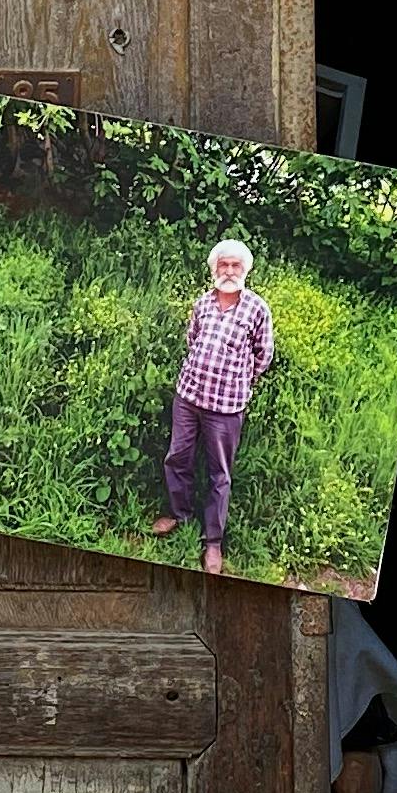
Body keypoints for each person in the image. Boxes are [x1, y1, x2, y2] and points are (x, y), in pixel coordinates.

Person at [151, 233, 274, 571]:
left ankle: (213, 542)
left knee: (220, 474)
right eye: (224, 264)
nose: (230, 270)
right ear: (214, 268)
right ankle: (179, 514)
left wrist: (239, 381)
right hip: (188, 397)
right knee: (178, 457)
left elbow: (263, 356)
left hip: (227, 407)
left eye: (236, 265)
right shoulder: (202, 303)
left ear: (245, 270)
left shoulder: (257, 309)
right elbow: (192, 341)